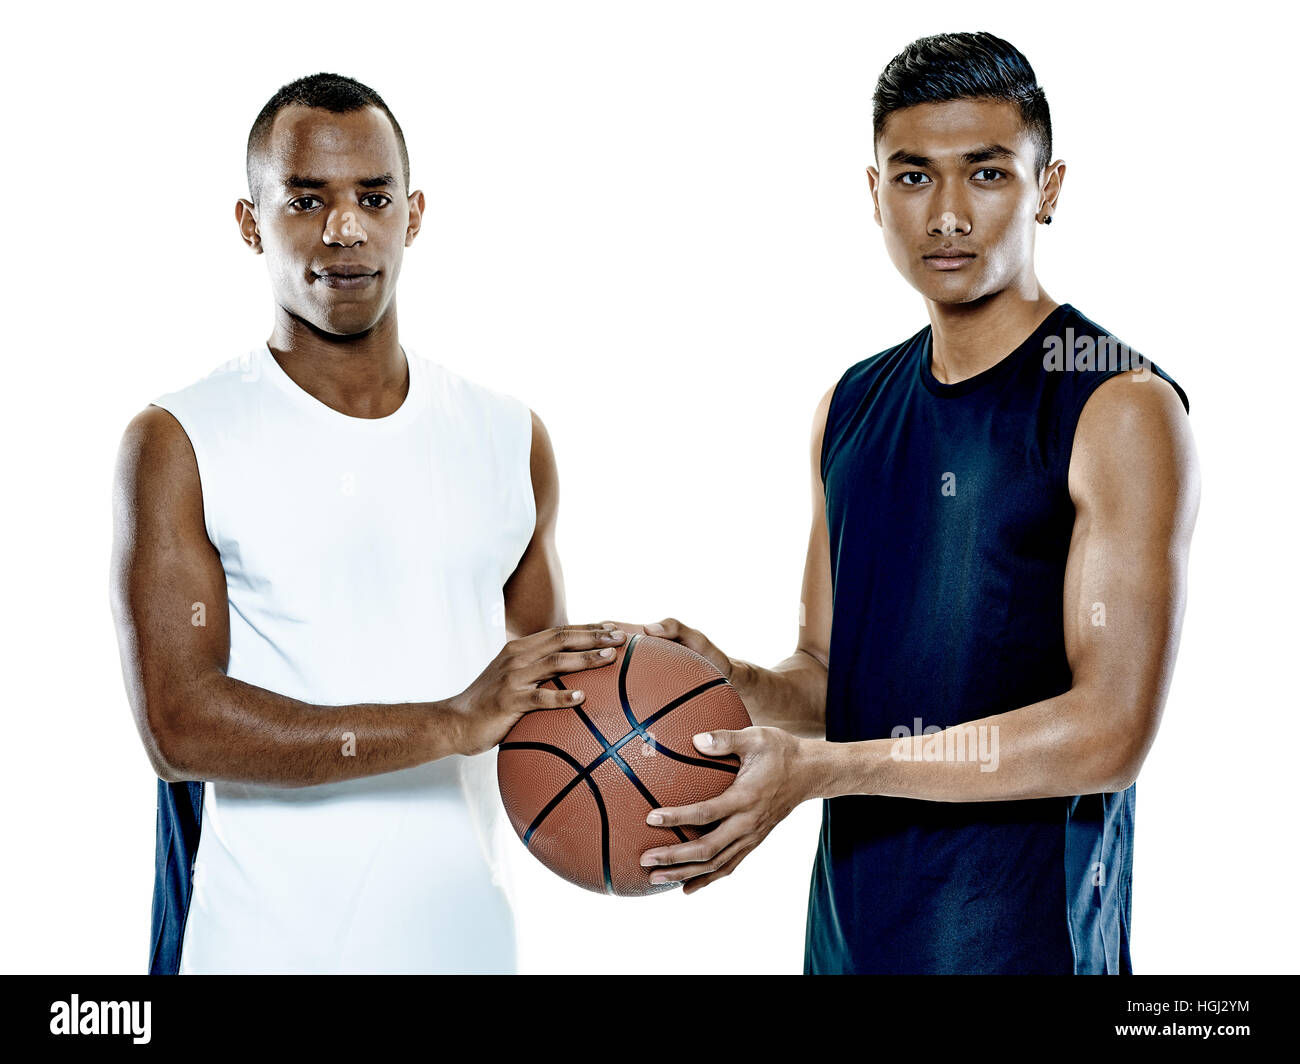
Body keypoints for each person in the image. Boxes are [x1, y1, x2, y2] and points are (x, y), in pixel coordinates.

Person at [629, 31, 1200, 974]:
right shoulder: (850, 404)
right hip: (847, 941)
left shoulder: (1116, 403)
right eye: (912, 177)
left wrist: (826, 771)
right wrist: (736, 685)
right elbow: (830, 676)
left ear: (1047, 189)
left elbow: (1109, 732)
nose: (945, 215)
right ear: (874, 194)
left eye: (985, 174)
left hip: (1021, 948)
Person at [109, 72, 624, 974]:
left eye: (372, 197)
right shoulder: (180, 439)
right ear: (249, 221)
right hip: (262, 949)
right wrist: (450, 720)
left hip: (467, 943)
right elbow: (179, 727)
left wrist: (679, 783)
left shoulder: (508, 436)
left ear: (413, 214)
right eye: (306, 200)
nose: (344, 228)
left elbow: (559, 712)